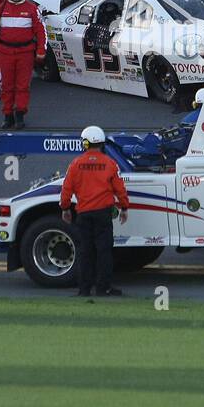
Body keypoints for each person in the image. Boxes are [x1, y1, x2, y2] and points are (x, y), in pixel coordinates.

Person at [60, 125, 130, 298]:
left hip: (83, 214)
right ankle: (103, 288)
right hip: (103, 214)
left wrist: (65, 208)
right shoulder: (110, 163)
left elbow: (66, 189)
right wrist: (124, 207)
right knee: (104, 251)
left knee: (85, 252)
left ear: (85, 143)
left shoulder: (76, 164)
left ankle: (84, 289)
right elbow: (120, 188)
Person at [0, 0, 48, 129]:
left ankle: (20, 114)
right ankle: (7, 116)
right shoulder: (0, 9)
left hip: (25, 53)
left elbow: (41, 31)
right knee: (6, 86)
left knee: (22, 86)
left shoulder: (32, 9)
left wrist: (41, 50)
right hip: (5, 53)